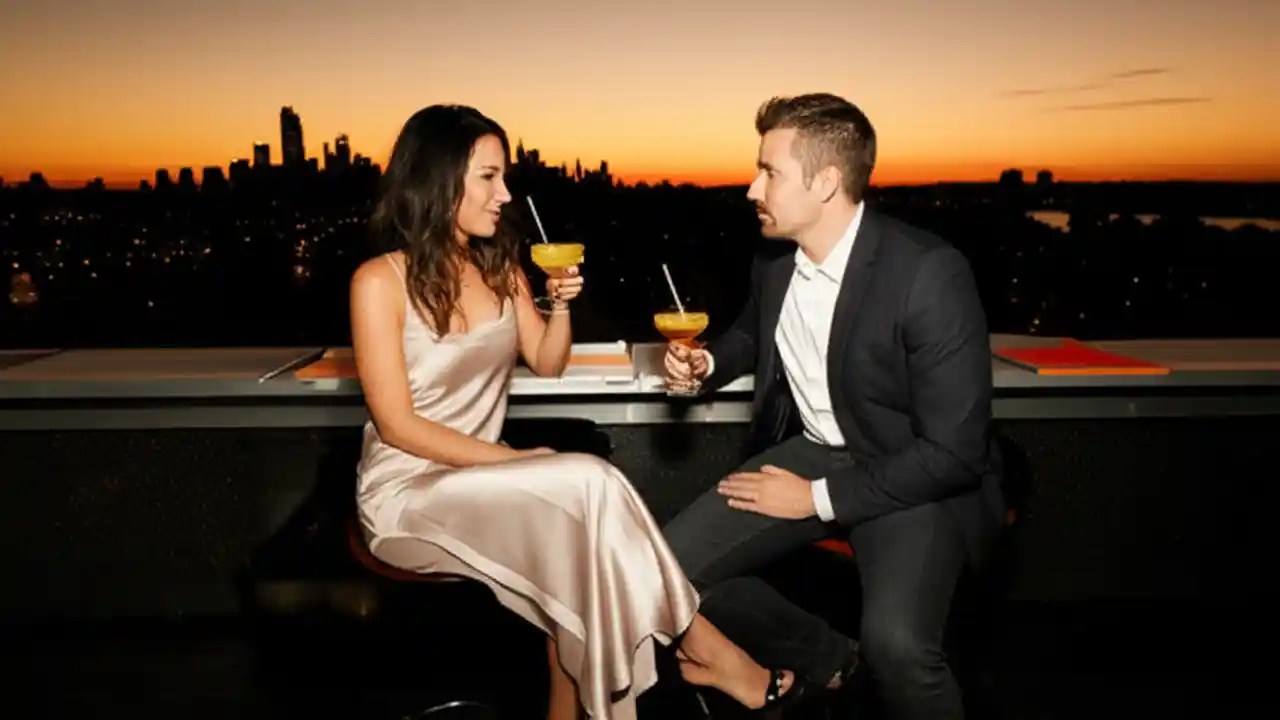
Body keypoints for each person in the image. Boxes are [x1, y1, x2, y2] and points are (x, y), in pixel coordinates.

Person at [351, 104, 806, 720]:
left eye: (503, 177)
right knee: (589, 479)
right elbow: (400, 426)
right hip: (408, 493)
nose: (504, 193)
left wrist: (558, 302)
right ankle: (704, 645)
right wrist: (510, 458)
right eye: (488, 177)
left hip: (485, 484)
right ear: (437, 178)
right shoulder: (378, 281)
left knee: (584, 583)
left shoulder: (501, 270)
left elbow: (547, 361)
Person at [663, 94, 1004, 719]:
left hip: (910, 468)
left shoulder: (928, 272)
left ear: (825, 182)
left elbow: (956, 452)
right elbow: (750, 332)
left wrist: (814, 498)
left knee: (899, 647)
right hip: (817, 449)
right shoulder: (774, 259)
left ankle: (871, 661)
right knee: (663, 575)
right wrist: (709, 364)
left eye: (770, 171)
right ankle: (827, 660)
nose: (750, 188)